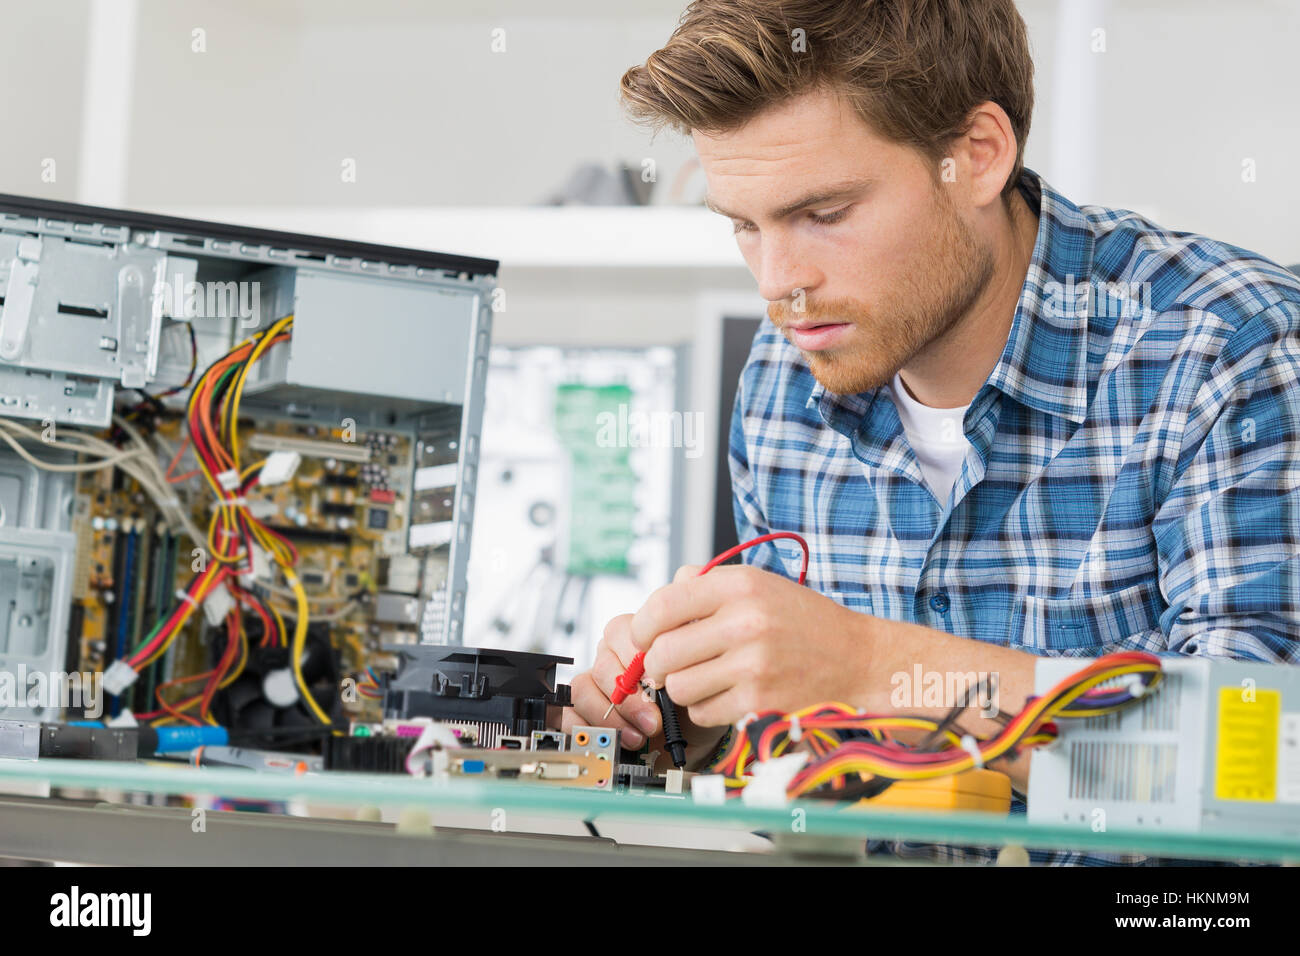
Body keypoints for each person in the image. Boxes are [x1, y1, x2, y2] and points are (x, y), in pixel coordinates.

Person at [561, 0, 1300, 864]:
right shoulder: (782, 377)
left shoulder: (1230, 352)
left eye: (825, 213)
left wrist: (868, 665)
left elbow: (1268, 774)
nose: (780, 283)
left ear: (978, 155)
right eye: (743, 225)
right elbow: (820, 782)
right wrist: (703, 721)